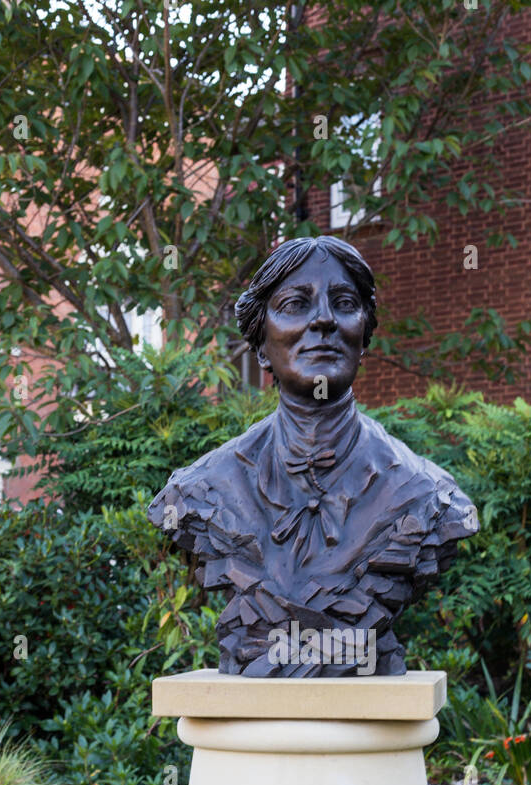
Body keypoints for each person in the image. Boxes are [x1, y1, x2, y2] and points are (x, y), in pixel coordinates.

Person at [148, 235, 479, 676]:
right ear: (261, 344)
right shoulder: (197, 492)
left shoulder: (428, 497)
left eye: (343, 303)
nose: (323, 319)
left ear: (363, 338)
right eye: (294, 305)